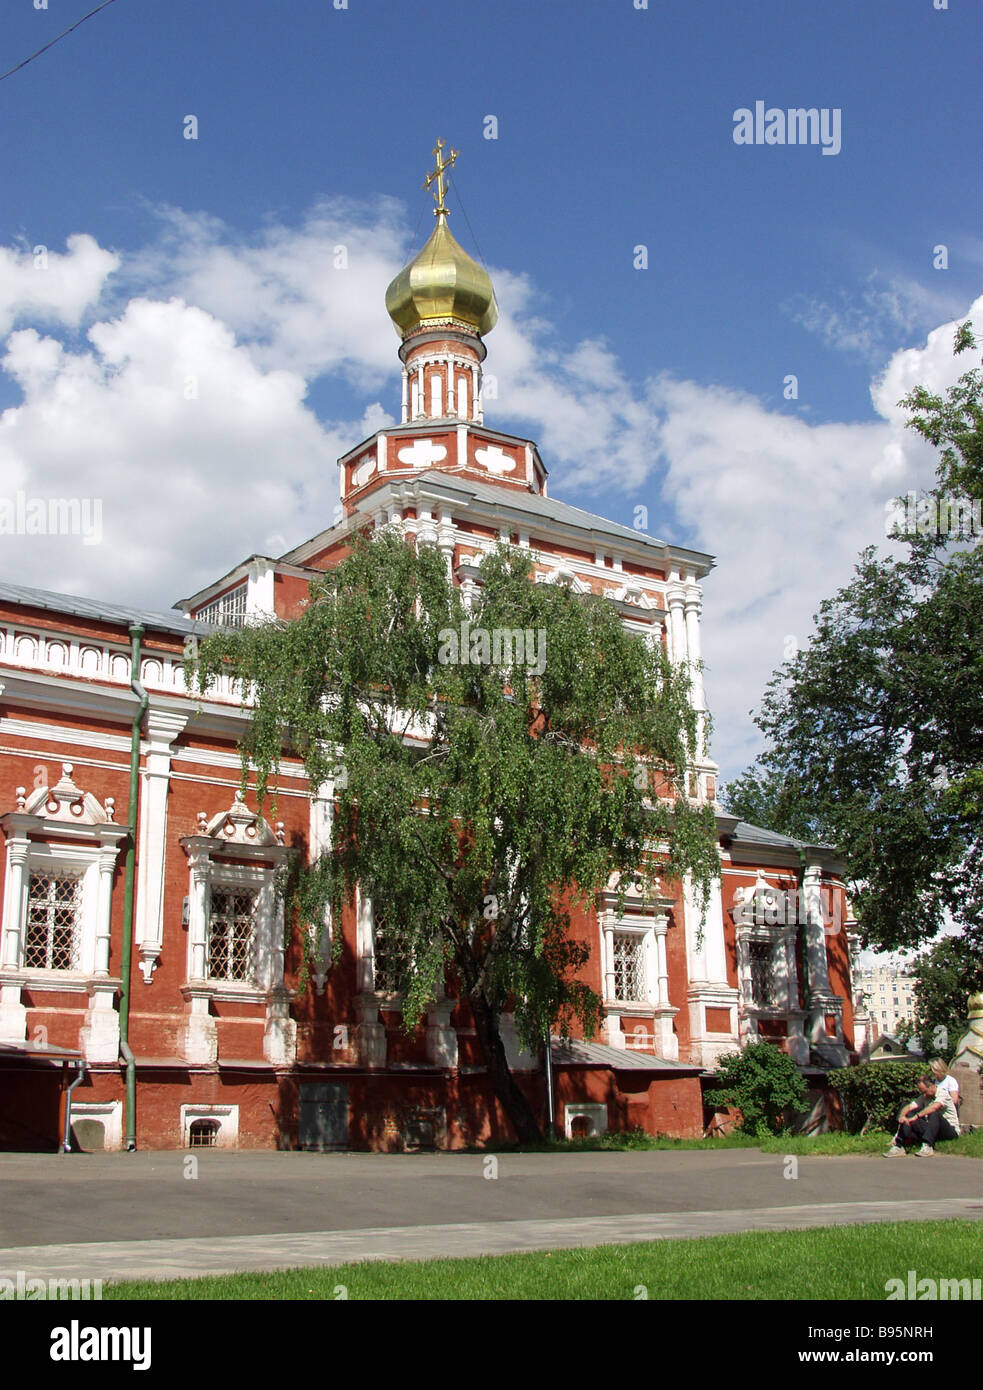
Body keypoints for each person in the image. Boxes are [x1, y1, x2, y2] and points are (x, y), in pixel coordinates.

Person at [884, 1076, 960, 1156]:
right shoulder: (925, 1096)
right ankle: (899, 1146)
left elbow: (934, 1107)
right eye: (922, 1092)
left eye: (925, 1092)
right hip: (933, 1130)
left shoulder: (943, 1094)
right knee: (909, 1114)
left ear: (931, 1085)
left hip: (949, 1130)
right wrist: (902, 1116)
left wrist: (917, 1116)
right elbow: (910, 1106)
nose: (924, 1095)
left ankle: (928, 1146)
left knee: (934, 1113)